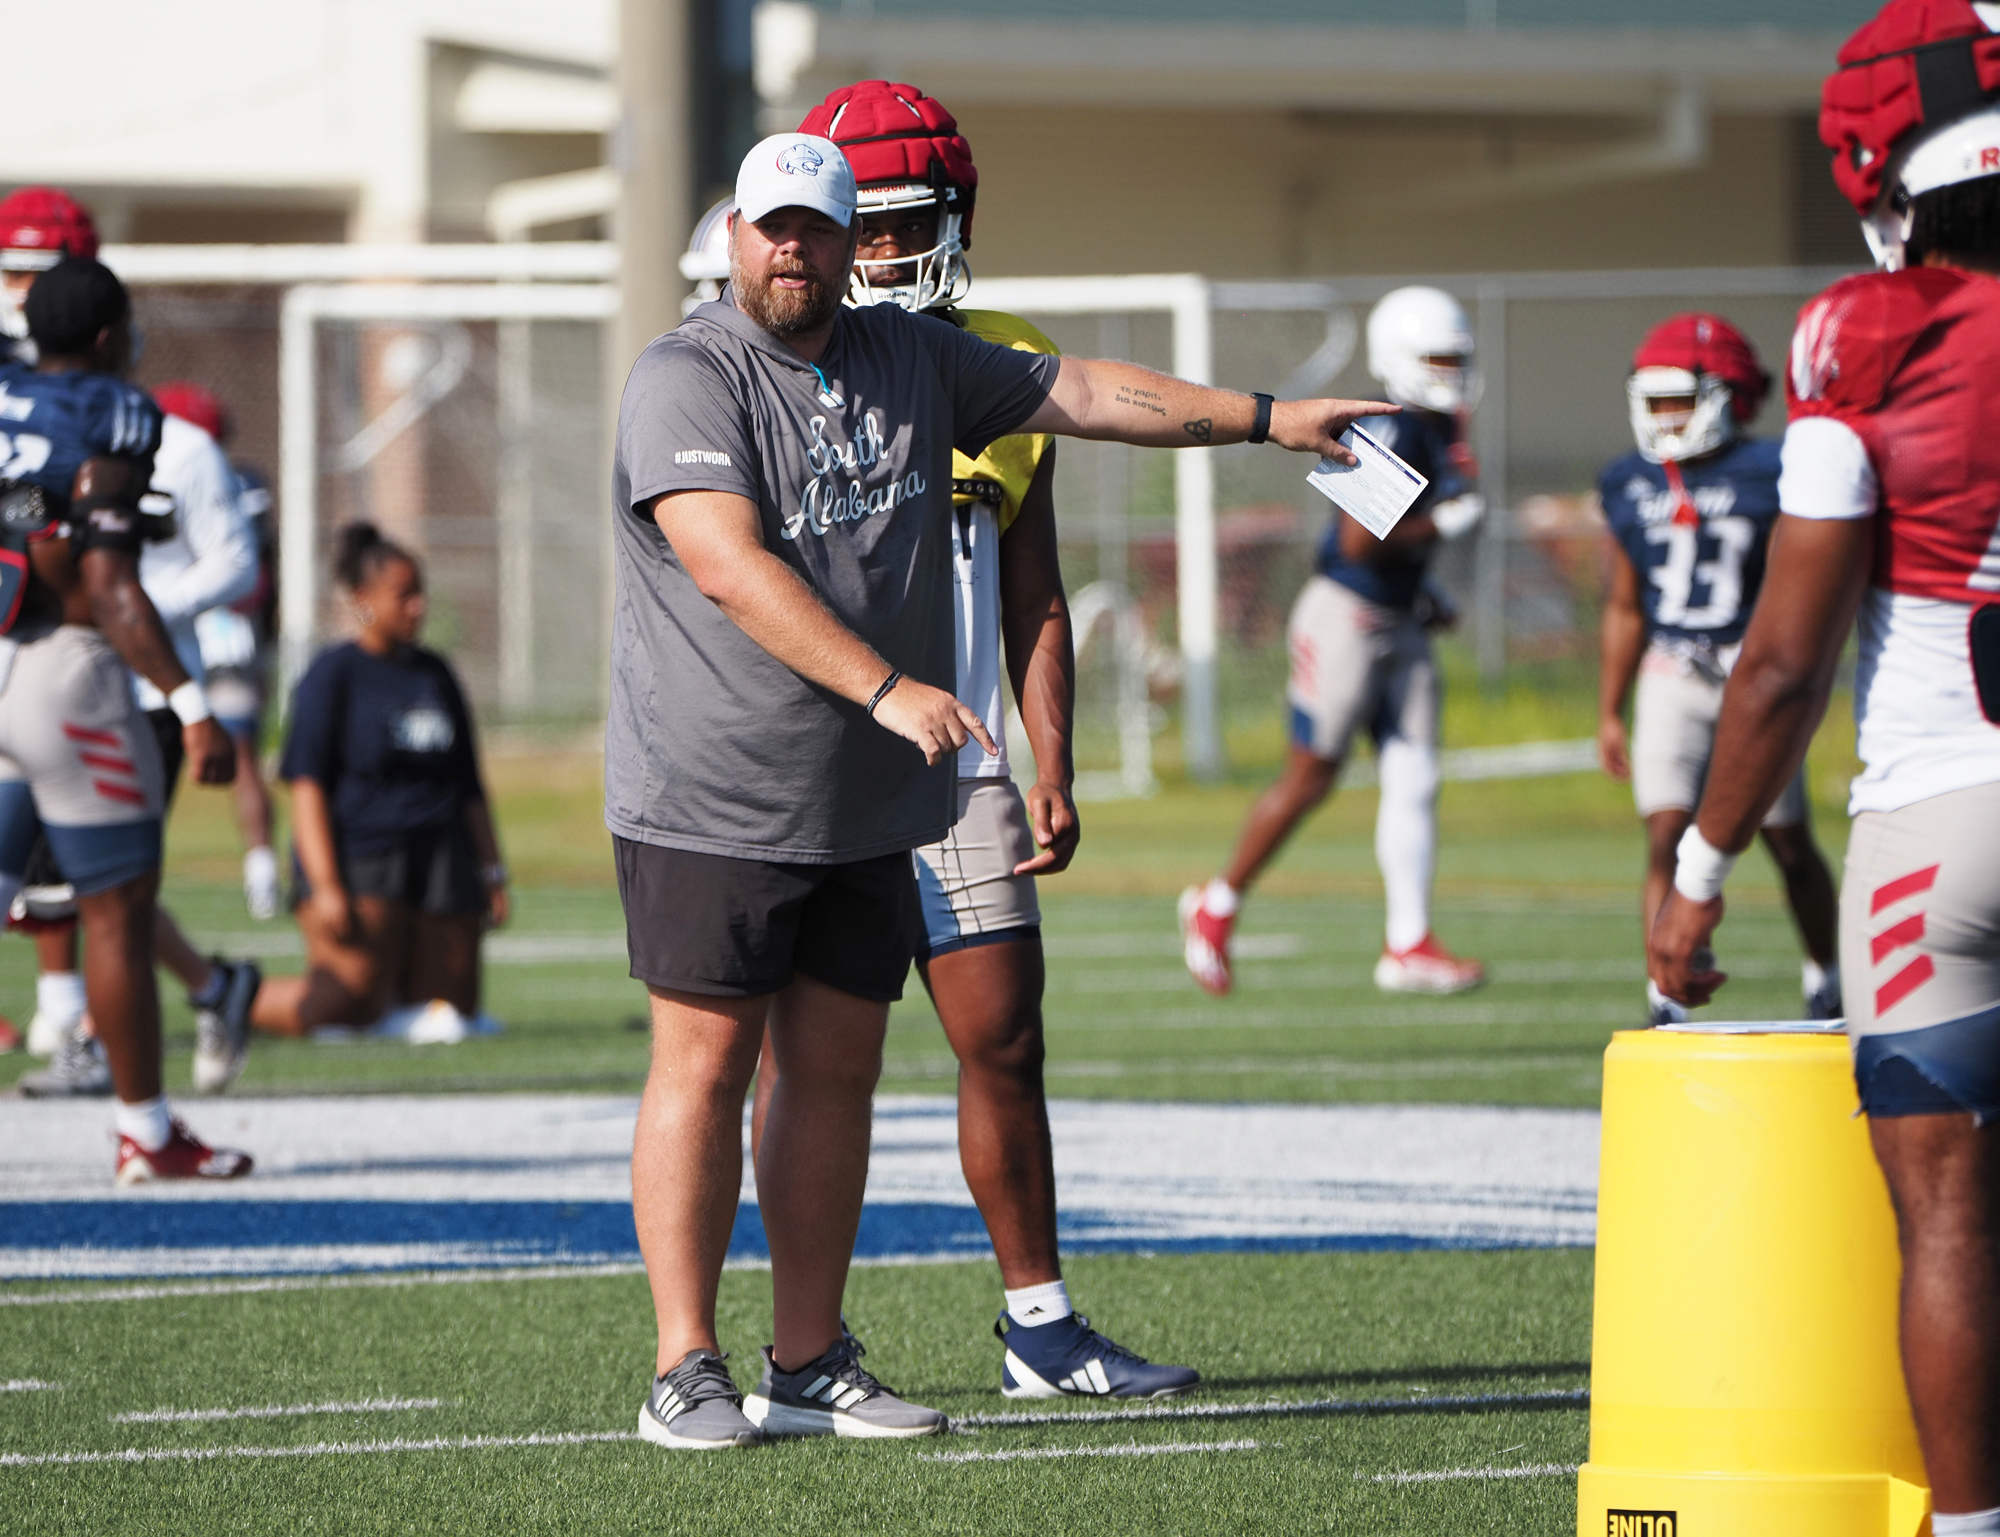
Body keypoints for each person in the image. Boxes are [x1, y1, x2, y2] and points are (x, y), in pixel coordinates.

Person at [614, 130, 1394, 1450]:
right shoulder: (685, 374)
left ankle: (804, 1358)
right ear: (735, 236)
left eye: (817, 228)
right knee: (702, 1064)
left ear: (848, 240)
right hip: (720, 786)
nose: (793, 251)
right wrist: (887, 688)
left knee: (836, 1070)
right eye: (772, 228)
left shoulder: (912, 356)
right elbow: (726, 562)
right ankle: (681, 1363)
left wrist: (1272, 418)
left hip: (868, 796)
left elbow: (1084, 390)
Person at [746, 79, 1198, 1403]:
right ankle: (787, 1344)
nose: (877, 255)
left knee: (1002, 1034)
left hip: (956, 767)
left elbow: (1033, 586)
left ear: (953, 220)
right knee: (803, 1064)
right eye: (856, 226)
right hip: (810, 768)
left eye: (900, 226)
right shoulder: (762, 360)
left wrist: (1049, 756)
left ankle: (1041, 1328)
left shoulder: (994, 357)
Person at [1649, 4, 2000, 1529]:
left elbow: (1785, 660)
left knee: (1943, 1214)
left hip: (1938, 814)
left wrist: (1701, 866)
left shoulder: (1864, 334)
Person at [0, 256, 247, 1179]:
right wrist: (190, 704)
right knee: (117, 913)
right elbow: (109, 584)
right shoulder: (112, 411)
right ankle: (146, 1129)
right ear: (108, 335)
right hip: (69, 674)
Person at [1180, 286, 1488, 999]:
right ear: (1401, 358)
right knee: (1312, 774)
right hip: (1348, 614)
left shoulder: (1437, 425)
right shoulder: (1399, 425)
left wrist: (1426, 591)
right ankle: (1217, 904)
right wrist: (1442, 529)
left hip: (1396, 615)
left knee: (1416, 776)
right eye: (1437, 358)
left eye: (1456, 358)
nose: (1450, 370)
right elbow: (1358, 538)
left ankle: (1408, 941)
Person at [1596, 314, 1841, 1026]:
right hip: (1671, 664)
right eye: (1654, 400)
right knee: (1664, 836)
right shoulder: (1625, 477)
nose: (1665, 417)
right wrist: (1609, 708)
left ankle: (1825, 973)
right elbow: (1622, 605)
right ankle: (1664, 996)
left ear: (1726, 397)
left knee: (1789, 844)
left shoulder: (1775, 468)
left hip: (1750, 668)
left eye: (1679, 399)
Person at [238, 523, 507, 1046]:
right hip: (364, 855)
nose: (418, 606)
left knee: (453, 1008)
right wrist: (325, 886)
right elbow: (307, 787)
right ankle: (226, 994)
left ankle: (390, 1007)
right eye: (403, 595)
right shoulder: (333, 675)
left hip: (440, 858)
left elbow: (469, 784)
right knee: (344, 1000)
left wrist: (493, 873)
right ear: (362, 600)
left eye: (420, 593)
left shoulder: (436, 673)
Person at [158, 381, 282, 922]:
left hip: (176, 627)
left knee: (151, 757)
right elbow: (263, 574)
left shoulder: (166, 468)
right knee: (245, 759)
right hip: (237, 629)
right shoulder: (246, 481)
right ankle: (263, 873)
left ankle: (126, 869)